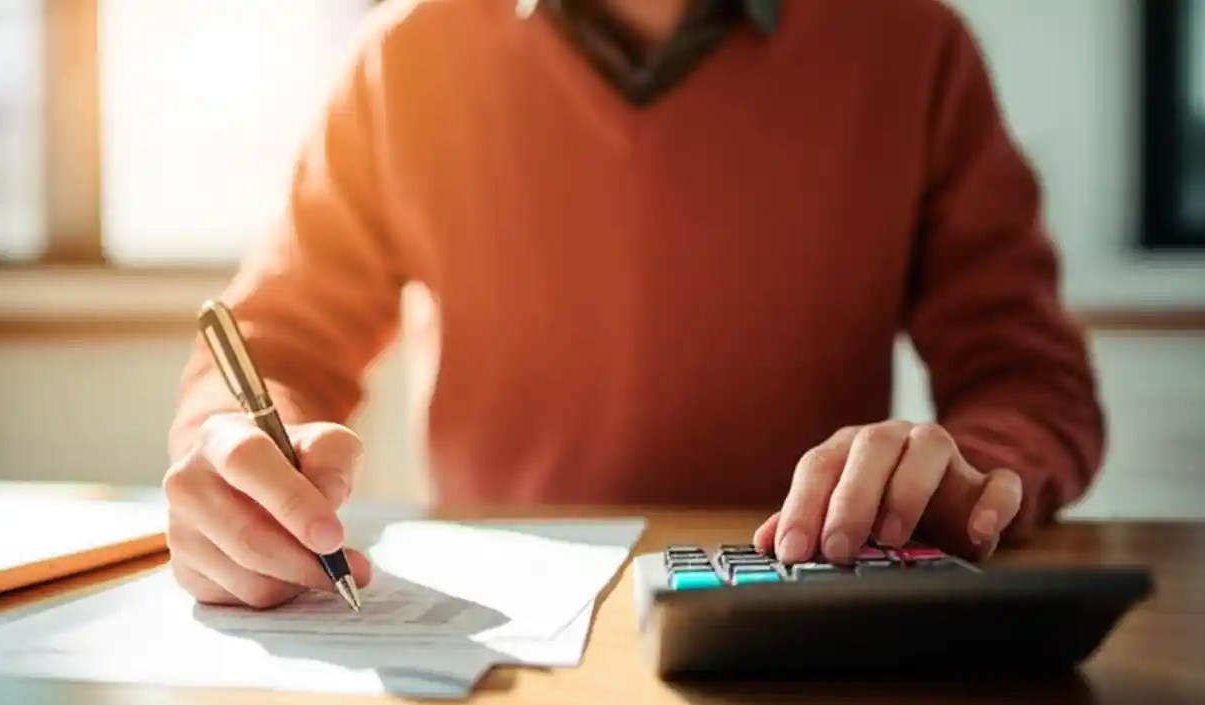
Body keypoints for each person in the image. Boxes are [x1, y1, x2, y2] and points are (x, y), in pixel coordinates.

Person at [163, 0, 1103, 609]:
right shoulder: (404, 58)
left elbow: (1029, 380)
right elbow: (274, 342)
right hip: (500, 649)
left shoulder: (911, 44)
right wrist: (235, 453)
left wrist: (966, 476)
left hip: (809, 624)